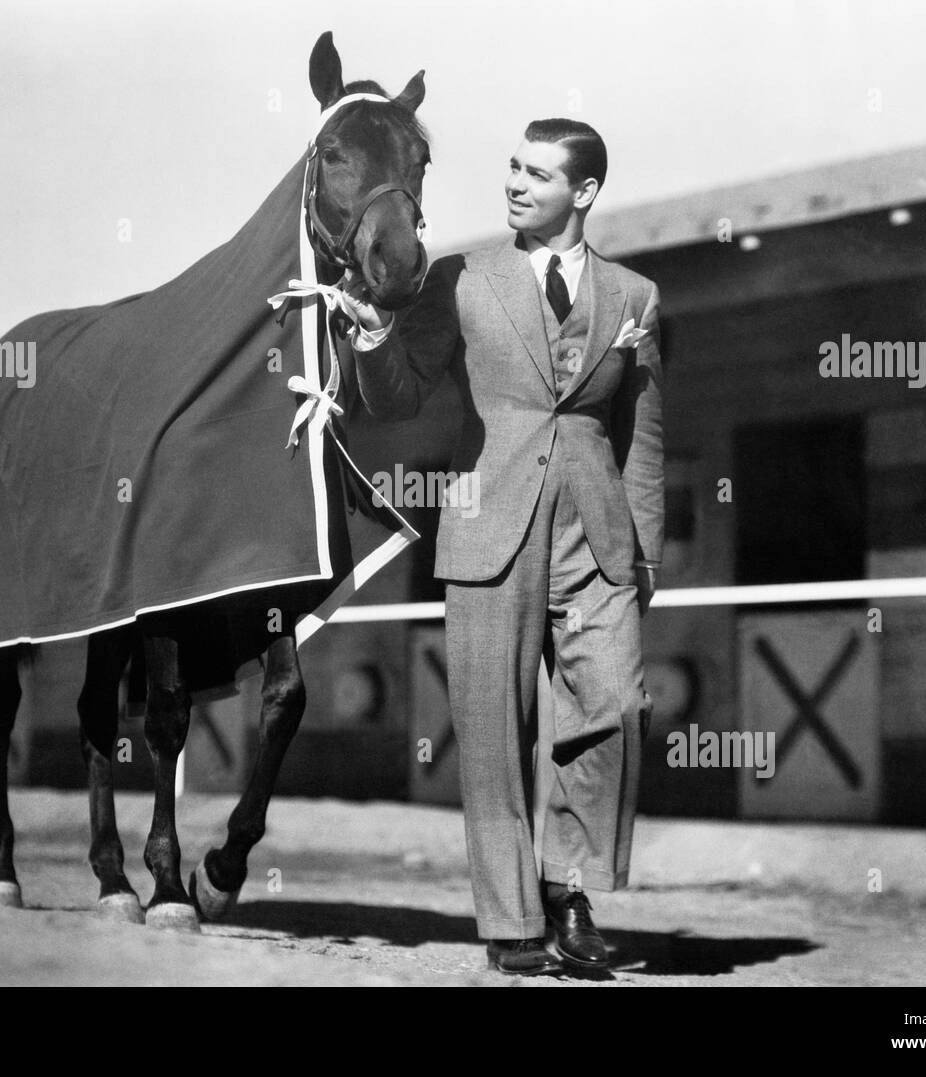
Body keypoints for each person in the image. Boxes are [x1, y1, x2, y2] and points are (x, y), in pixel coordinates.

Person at [342, 118, 664, 975]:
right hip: (487, 524)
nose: (515, 182)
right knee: (492, 729)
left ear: (584, 193)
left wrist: (647, 557)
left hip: (597, 535)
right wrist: (373, 335)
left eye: (538, 173)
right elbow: (400, 399)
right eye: (512, 167)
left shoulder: (634, 297)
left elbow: (643, 434)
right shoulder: (461, 280)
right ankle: (515, 920)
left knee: (614, 706)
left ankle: (568, 886)